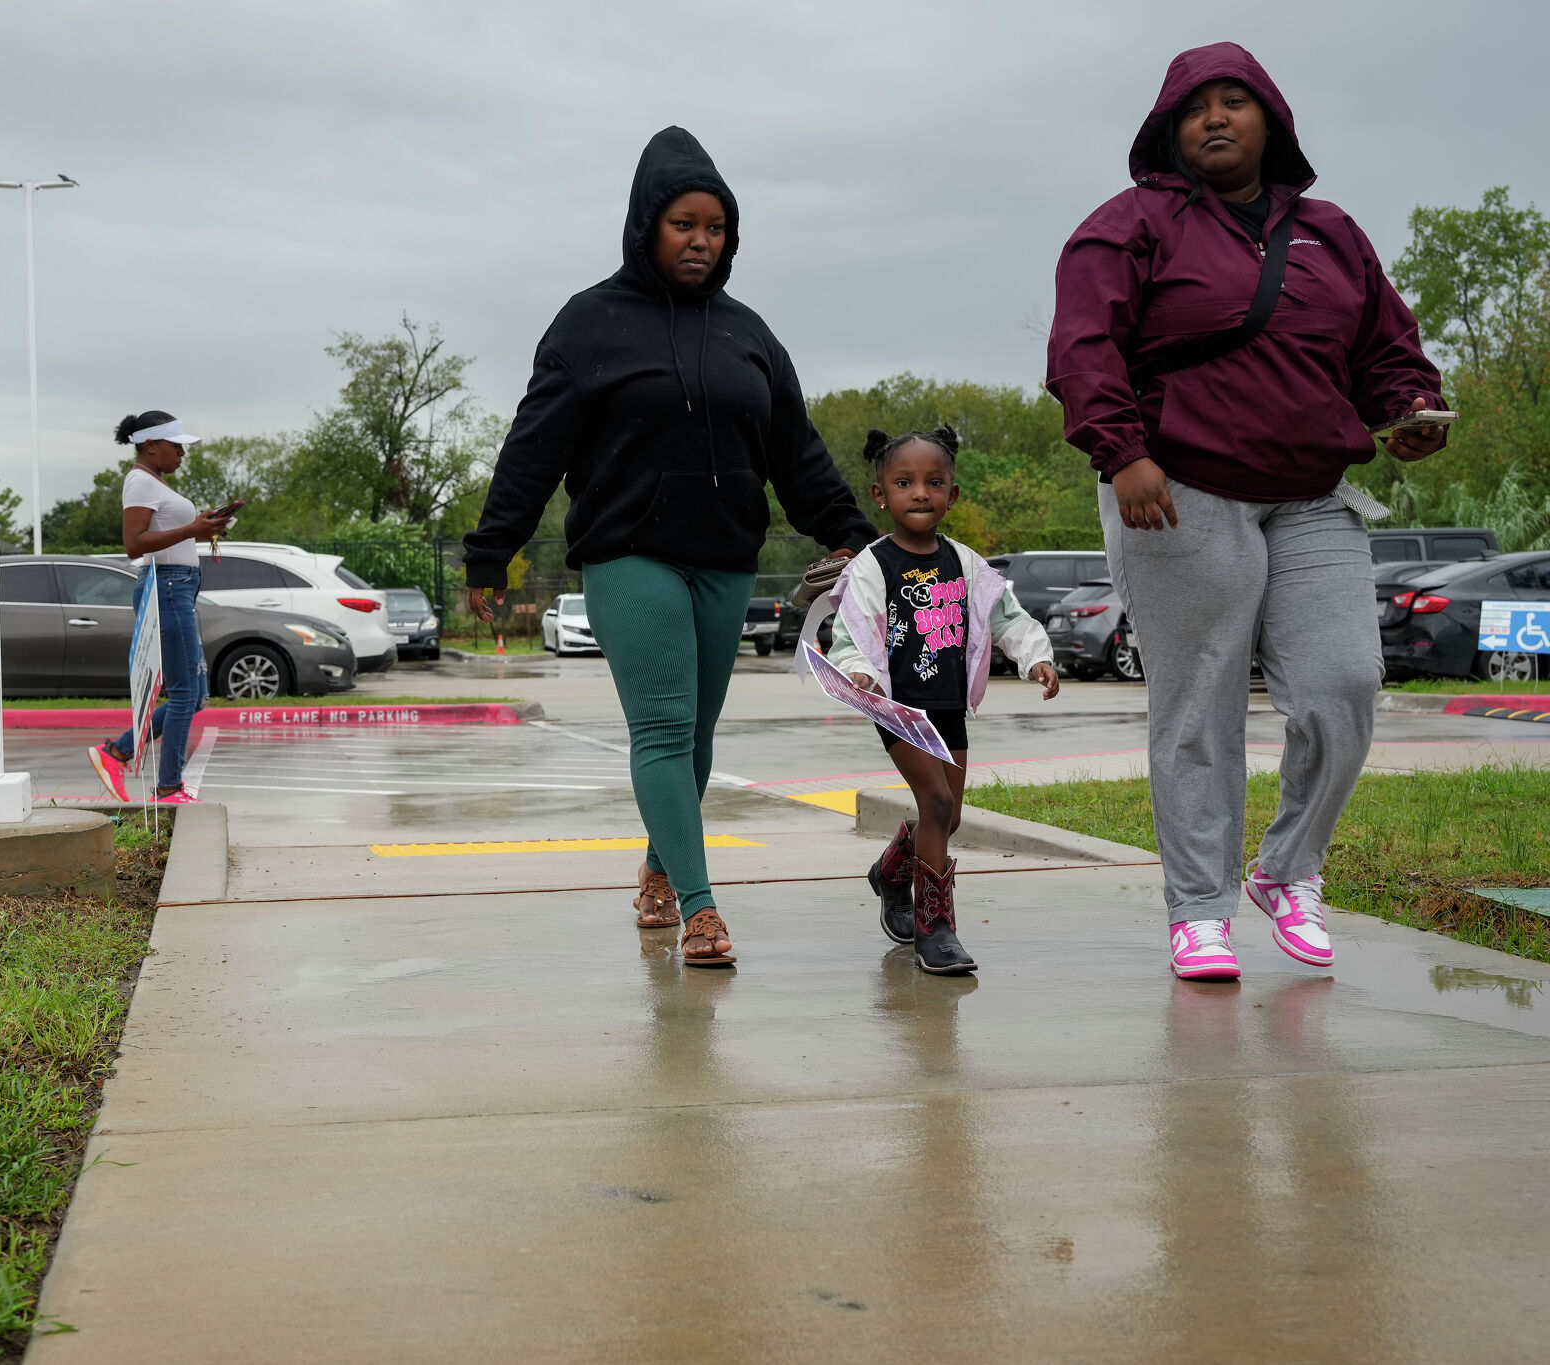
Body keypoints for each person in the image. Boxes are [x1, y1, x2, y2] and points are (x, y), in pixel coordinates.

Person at [1045, 43, 1448, 980]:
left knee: (1343, 684)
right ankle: (1199, 907)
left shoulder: (1333, 234)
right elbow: (1083, 346)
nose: (1216, 120)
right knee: (1201, 705)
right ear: (1170, 131)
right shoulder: (1131, 223)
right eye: (1195, 109)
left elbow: (1388, 347)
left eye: (1236, 102)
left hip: (1312, 493)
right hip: (1178, 491)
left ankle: (1288, 870)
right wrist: (1124, 454)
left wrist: (1410, 410)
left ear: (1272, 119)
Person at [464, 126, 874, 968]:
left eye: (716, 227)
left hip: (724, 561)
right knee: (660, 728)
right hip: (630, 556)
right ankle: (700, 906)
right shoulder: (589, 323)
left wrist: (860, 540)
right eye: (685, 223)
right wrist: (489, 551)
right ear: (648, 224)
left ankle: (658, 865)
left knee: (697, 738)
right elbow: (533, 446)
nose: (701, 240)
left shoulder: (750, 334)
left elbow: (796, 453)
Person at [824, 427, 1059, 974]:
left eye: (934, 483)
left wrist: (1035, 657)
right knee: (937, 804)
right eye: (905, 483)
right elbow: (848, 635)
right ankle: (937, 926)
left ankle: (891, 870)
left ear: (952, 494)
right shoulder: (872, 566)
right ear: (882, 495)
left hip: (948, 706)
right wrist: (860, 673)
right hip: (899, 709)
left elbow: (1006, 617)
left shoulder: (968, 564)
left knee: (946, 817)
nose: (921, 493)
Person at [86, 410, 234, 805]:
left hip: (179, 588)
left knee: (197, 694)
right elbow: (133, 544)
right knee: (185, 693)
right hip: (167, 587)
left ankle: (116, 752)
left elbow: (168, 535)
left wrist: (201, 526)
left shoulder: (154, 483)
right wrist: (192, 530)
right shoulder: (139, 482)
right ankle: (168, 788)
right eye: (176, 445)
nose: (182, 452)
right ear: (150, 445)